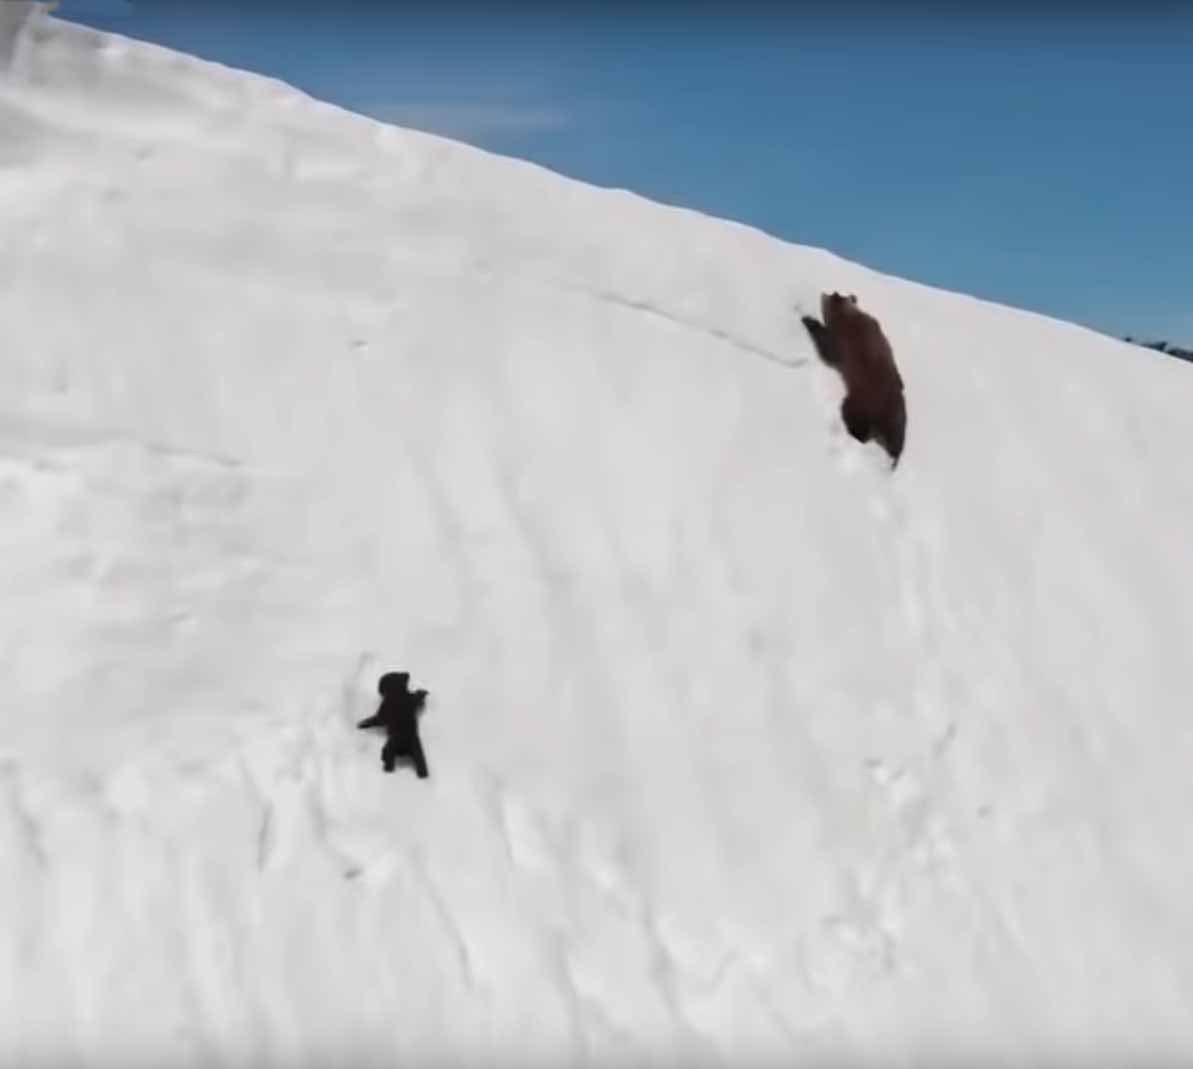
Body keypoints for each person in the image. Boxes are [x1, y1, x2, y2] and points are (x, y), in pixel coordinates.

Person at [357, 671, 429, 778]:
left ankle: (388, 773)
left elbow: (380, 719)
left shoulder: (388, 702)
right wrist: (421, 695)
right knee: (419, 758)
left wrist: (365, 723)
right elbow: (416, 699)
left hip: (396, 739)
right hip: (412, 739)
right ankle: (423, 774)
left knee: (388, 752)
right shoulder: (408, 697)